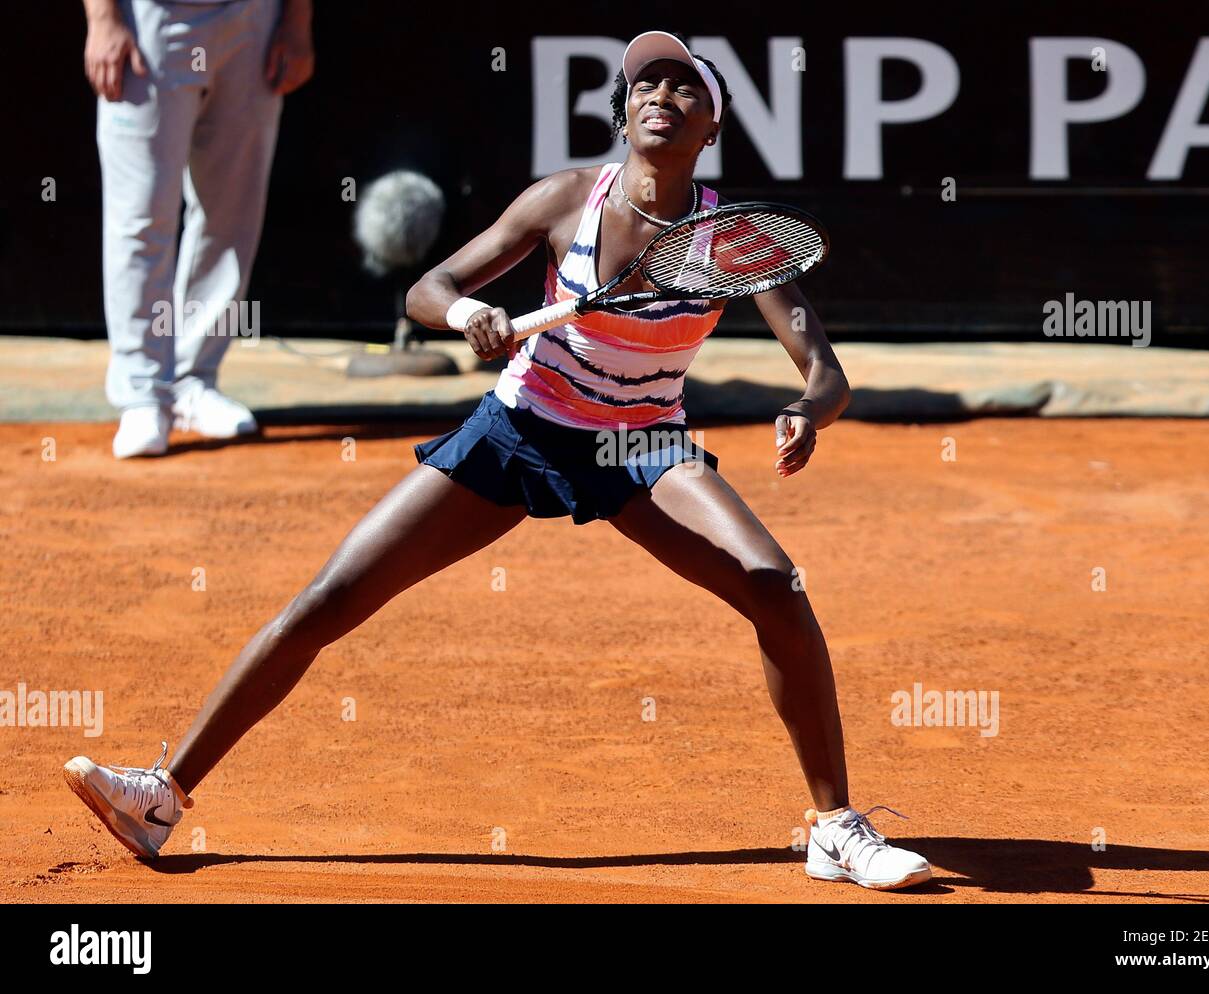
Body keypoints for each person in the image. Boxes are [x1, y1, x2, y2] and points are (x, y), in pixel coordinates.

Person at [63, 30, 932, 891]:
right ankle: (162, 792)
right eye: (645, 87)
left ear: (712, 128)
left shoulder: (730, 238)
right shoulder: (563, 200)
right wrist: (464, 316)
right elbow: (425, 290)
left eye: (686, 90)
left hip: (640, 445)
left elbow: (827, 370)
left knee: (774, 586)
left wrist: (805, 411)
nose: (661, 98)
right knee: (333, 595)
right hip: (521, 425)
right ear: (624, 115)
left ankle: (835, 828)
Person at [82, 0, 314, 458]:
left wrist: (296, 21)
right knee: (141, 218)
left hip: (254, 21)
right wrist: (103, 19)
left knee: (232, 215)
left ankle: (194, 382)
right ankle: (142, 393)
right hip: (151, 21)